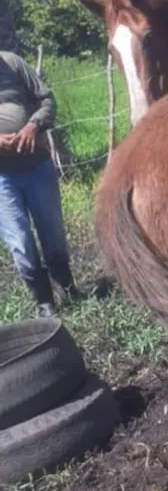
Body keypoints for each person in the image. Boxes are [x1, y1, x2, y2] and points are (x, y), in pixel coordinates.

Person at [0, 49, 78, 316]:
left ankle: (69, 291)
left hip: (37, 166)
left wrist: (33, 125)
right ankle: (45, 304)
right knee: (20, 243)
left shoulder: (12, 63)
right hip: (2, 178)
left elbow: (47, 100)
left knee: (53, 235)